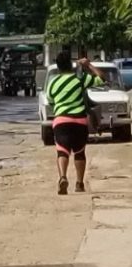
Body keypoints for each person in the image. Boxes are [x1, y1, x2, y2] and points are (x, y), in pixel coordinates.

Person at [46, 50, 103, 194]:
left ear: (58, 66)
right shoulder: (80, 79)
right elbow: (101, 78)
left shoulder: (53, 83)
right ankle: (79, 184)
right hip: (79, 120)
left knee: (62, 151)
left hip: (61, 120)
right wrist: (88, 65)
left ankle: (63, 177)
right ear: (71, 65)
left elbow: (51, 101)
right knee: (79, 152)